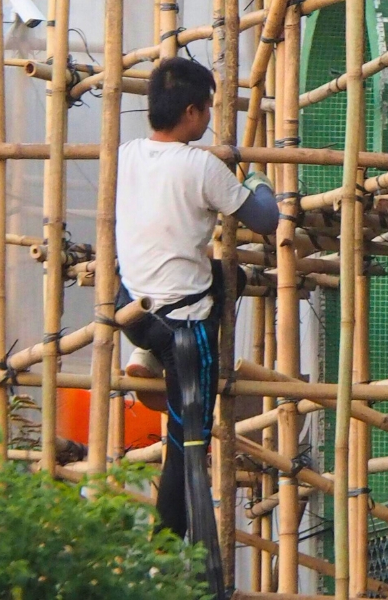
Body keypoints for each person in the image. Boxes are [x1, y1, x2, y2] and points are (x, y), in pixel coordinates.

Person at [112, 56, 278, 540]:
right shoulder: (199, 166)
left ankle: (146, 356)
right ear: (189, 112)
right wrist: (260, 180)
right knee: (188, 446)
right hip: (185, 330)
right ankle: (168, 559)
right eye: (206, 109)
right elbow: (265, 219)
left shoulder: (126, 154)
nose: (208, 119)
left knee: (230, 278)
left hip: (135, 308)